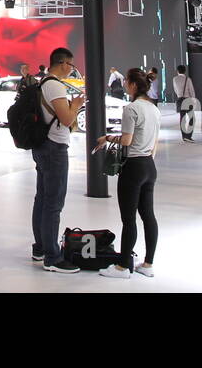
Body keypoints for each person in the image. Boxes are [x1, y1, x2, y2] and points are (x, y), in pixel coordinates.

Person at [94, 68, 159, 279]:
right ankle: (148, 264)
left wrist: (106, 138)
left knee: (128, 219)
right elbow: (154, 143)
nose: (124, 85)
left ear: (132, 84)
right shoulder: (154, 109)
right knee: (148, 216)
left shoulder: (131, 109)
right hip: (150, 165)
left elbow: (127, 141)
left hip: (133, 167)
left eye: (126, 82)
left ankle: (122, 267)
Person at [32, 47, 85, 274]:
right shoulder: (55, 85)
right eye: (71, 66)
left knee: (43, 199)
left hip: (43, 145)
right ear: (64, 64)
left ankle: (41, 248)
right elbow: (66, 118)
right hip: (54, 148)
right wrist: (76, 105)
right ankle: (53, 257)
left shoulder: (43, 83)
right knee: (53, 203)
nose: (72, 70)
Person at [172, 64, 195, 142]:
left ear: (177, 71)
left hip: (180, 100)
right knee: (191, 118)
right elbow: (191, 90)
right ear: (185, 71)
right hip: (188, 100)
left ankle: (184, 136)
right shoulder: (188, 79)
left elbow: (175, 89)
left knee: (182, 119)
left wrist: (179, 95)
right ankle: (188, 136)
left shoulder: (174, 79)